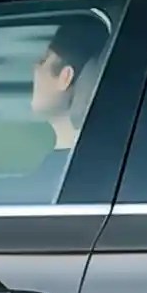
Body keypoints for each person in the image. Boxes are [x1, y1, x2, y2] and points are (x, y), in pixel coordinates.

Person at [31, 15, 111, 179]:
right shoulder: (99, 165)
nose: (35, 68)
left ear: (65, 77)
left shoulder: (56, 178)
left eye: (43, 60)